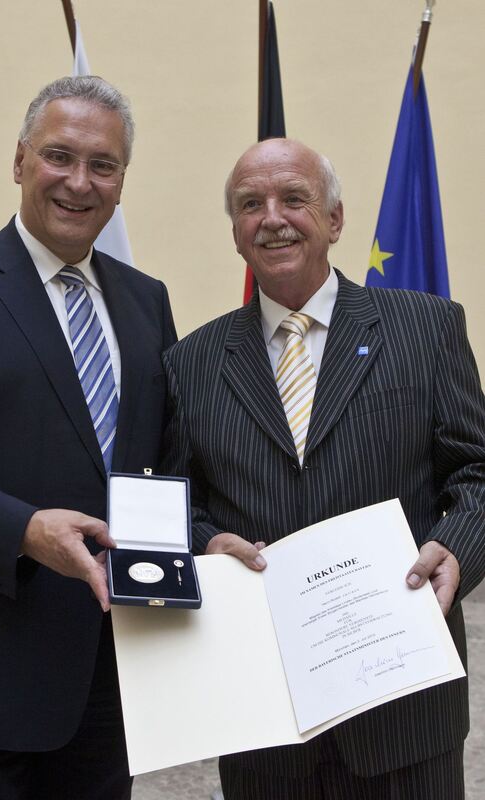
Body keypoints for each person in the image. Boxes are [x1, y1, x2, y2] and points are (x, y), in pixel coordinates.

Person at [162, 138, 485, 799]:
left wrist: (455, 547)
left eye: (293, 199)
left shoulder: (426, 329)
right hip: (266, 718)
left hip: (404, 704)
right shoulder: (189, 364)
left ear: (334, 220)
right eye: (250, 204)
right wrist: (204, 542)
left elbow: (477, 472)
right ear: (235, 233)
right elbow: (178, 503)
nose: (271, 218)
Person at [0, 76, 176, 799]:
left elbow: (163, 466)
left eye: (102, 165)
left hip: (111, 693)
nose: (79, 182)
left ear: (121, 182)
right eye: (58, 156)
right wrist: (22, 529)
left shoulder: (147, 302)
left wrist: (205, 541)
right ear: (19, 162)